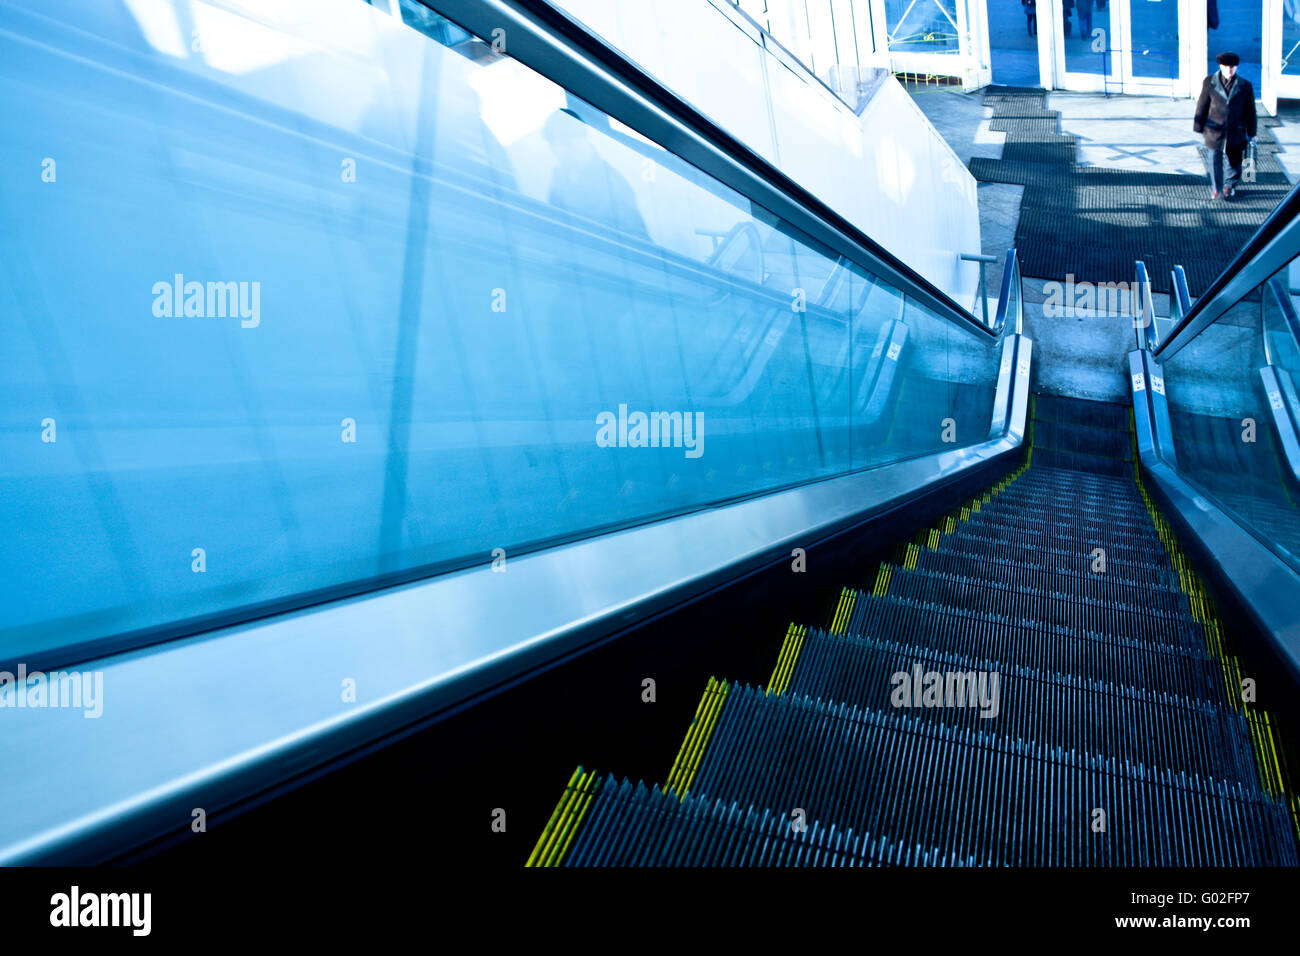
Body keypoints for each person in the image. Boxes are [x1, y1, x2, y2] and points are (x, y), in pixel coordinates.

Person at [543, 108, 649, 239]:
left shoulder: (611, 182)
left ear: (582, 140)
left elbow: (636, 238)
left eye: (566, 143)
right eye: (555, 146)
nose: (559, 152)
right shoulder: (560, 179)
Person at [1193, 52, 1257, 200]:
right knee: (1214, 158)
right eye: (1226, 67)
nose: (1230, 70)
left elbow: (1250, 111)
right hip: (1214, 128)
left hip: (1236, 129)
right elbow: (1203, 103)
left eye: (1233, 67)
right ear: (1220, 66)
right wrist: (1199, 125)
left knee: (1234, 159)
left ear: (1236, 67)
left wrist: (1252, 132)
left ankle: (1229, 185)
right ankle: (1216, 188)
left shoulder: (1245, 86)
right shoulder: (1209, 82)